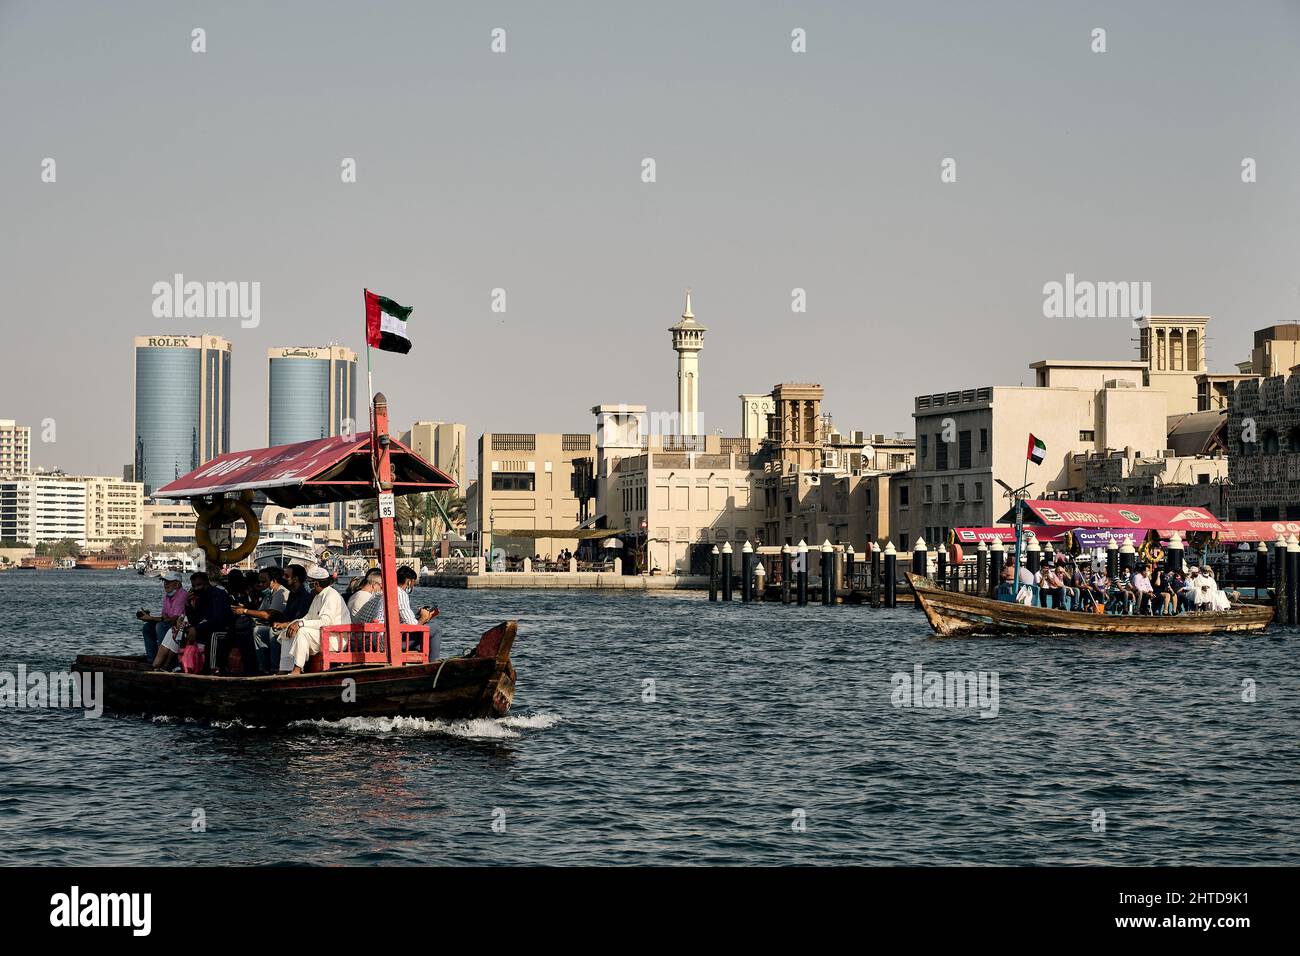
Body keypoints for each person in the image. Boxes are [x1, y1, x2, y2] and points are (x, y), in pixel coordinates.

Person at [276, 565, 350, 674]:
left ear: (316, 584)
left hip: (335, 637)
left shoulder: (331, 596)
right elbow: (308, 617)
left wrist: (300, 624)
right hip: (323, 634)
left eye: (309, 582)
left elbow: (326, 622)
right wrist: (292, 624)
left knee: (303, 631)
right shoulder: (318, 596)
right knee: (288, 632)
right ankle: (285, 668)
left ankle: (297, 668)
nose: (307, 585)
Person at [234, 566, 290, 673]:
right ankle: (261, 667)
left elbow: (267, 615)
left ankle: (274, 668)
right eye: (259, 582)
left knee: (267, 632)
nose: (260, 585)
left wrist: (245, 611)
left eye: (263, 581)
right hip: (270, 625)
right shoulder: (269, 595)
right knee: (251, 630)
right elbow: (260, 612)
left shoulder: (281, 593)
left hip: (281, 626)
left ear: (273, 581)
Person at [136, 571, 186, 661]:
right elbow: (164, 617)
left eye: (168, 582)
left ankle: (164, 660)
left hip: (181, 627)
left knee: (160, 627)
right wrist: (148, 618)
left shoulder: (182, 595)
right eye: (164, 582)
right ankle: (152, 659)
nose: (165, 584)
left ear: (177, 584)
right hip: (170, 624)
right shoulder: (168, 596)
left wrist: (151, 618)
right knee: (147, 627)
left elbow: (175, 619)